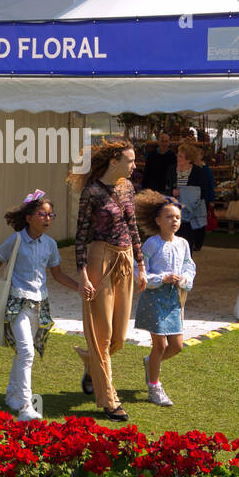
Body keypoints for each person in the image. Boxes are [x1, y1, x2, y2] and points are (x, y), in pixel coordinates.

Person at [0, 190, 79, 422]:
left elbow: (57, 274)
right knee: (26, 351)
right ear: (28, 218)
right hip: (16, 302)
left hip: (39, 304)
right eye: (42, 214)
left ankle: (12, 395)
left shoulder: (51, 245)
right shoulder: (15, 240)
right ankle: (26, 406)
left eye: (50, 215)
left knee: (23, 352)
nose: (47, 219)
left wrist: (79, 288)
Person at [68, 139, 147, 422]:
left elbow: (133, 226)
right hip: (100, 258)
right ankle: (109, 400)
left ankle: (91, 363)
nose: (134, 165)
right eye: (130, 160)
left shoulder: (126, 187)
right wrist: (83, 274)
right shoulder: (91, 192)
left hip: (125, 260)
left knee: (118, 337)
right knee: (101, 336)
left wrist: (141, 263)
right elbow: (80, 236)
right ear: (114, 162)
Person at [133, 191, 196, 407]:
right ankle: (154, 387)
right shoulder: (151, 244)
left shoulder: (183, 244)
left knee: (176, 346)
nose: (174, 221)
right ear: (158, 221)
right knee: (159, 344)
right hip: (154, 298)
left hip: (174, 300)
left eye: (177, 217)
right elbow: (139, 270)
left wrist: (184, 279)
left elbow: (189, 265)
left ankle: (151, 363)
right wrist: (161, 278)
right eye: (169, 217)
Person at [173, 141, 210, 250]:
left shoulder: (199, 172)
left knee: (186, 243)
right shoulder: (171, 169)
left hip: (189, 214)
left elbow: (203, 192)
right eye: (178, 155)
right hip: (173, 211)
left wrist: (183, 193)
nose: (177, 157)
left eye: (181, 156)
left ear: (188, 159)